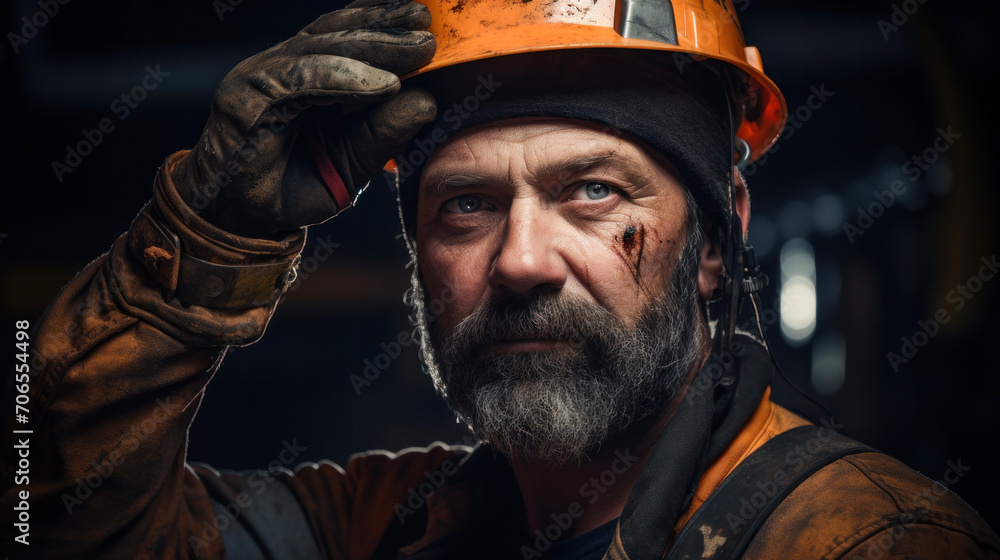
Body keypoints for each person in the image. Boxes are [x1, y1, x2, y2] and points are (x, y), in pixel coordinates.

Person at [2, 0, 998, 558]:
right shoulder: (380, 528)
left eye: (594, 192)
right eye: (466, 205)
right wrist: (207, 236)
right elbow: (50, 517)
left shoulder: (866, 541)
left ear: (713, 242)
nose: (520, 261)